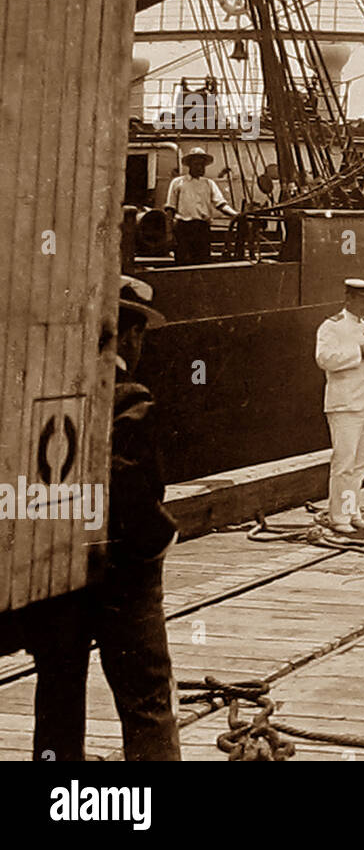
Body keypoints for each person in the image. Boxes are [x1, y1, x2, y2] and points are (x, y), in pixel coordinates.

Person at [20, 275, 182, 761]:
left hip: (56, 577)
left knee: (58, 690)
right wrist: (163, 537)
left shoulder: (45, 393)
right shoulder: (129, 399)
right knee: (147, 698)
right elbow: (131, 492)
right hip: (122, 581)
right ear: (130, 336)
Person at [315, 278, 364, 533]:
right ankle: (340, 517)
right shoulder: (331, 327)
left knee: (362, 462)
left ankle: (352, 510)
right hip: (345, 403)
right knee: (344, 462)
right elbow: (325, 359)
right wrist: (360, 352)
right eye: (363, 300)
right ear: (349, 299)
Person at [164, 146, 238, 265]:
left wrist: (236, 215)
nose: (200, 167)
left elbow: (220, 204)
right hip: (183, 228)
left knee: (203, 263)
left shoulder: (209, 183)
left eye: (202, 165)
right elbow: (170, 209)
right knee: (183, 263)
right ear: (189, 165)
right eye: (197, 164)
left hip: (202, 229)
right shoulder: (178, 182)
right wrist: (169, 234)